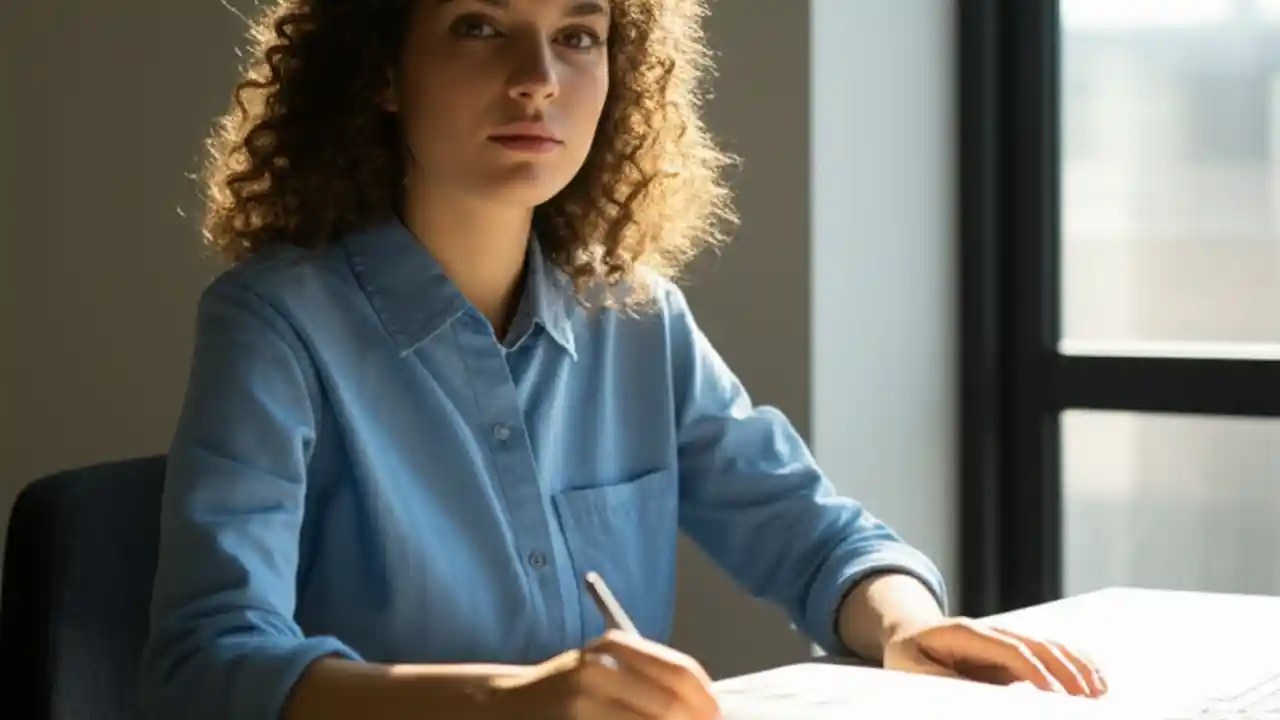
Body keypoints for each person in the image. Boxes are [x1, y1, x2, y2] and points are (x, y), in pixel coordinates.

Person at [137, 0, 1107, 718]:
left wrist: (904, 624)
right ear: (382, 68)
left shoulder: (636, 319)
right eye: (479, 26)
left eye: (578, 34)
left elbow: (813, 535)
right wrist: (507, 704)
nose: (537, 78)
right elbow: (204, 663)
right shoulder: (275, 324)